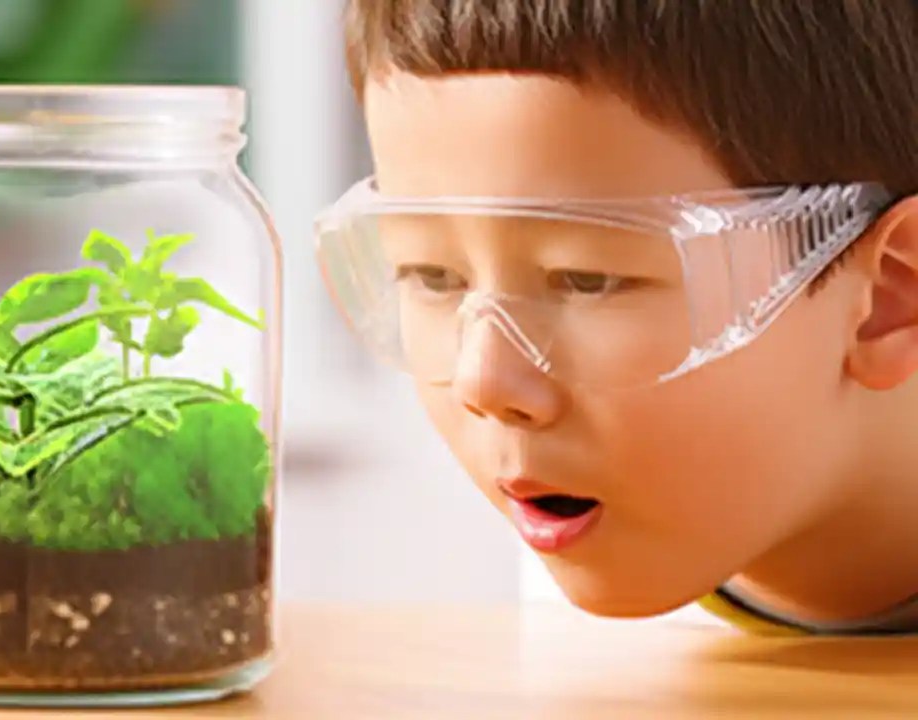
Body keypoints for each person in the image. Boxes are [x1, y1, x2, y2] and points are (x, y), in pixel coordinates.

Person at [314, 0, 918, 634]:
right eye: (432, 276)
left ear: (888, 298)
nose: (484, 384)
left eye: (588, 280)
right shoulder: (579, 591)